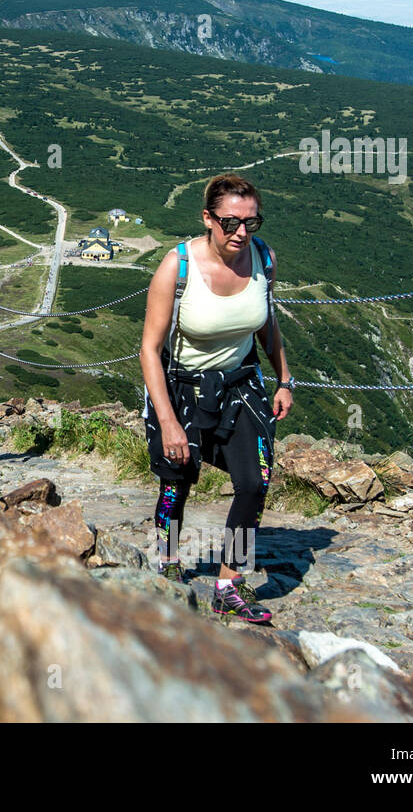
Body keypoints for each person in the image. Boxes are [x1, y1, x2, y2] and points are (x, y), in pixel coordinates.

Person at [139, 174, 293, 625]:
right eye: (229, 222)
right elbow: (149, 348)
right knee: (177, 482)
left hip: (240, 385)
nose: (241, 233)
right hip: (183, 386)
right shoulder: (178, 266)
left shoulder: (263, 259)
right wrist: (168, 421)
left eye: (251, 222)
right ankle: (168, 563)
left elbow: (267, 323)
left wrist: (284, 378)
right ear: (208, 219)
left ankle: (228, 583)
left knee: (255, 483)